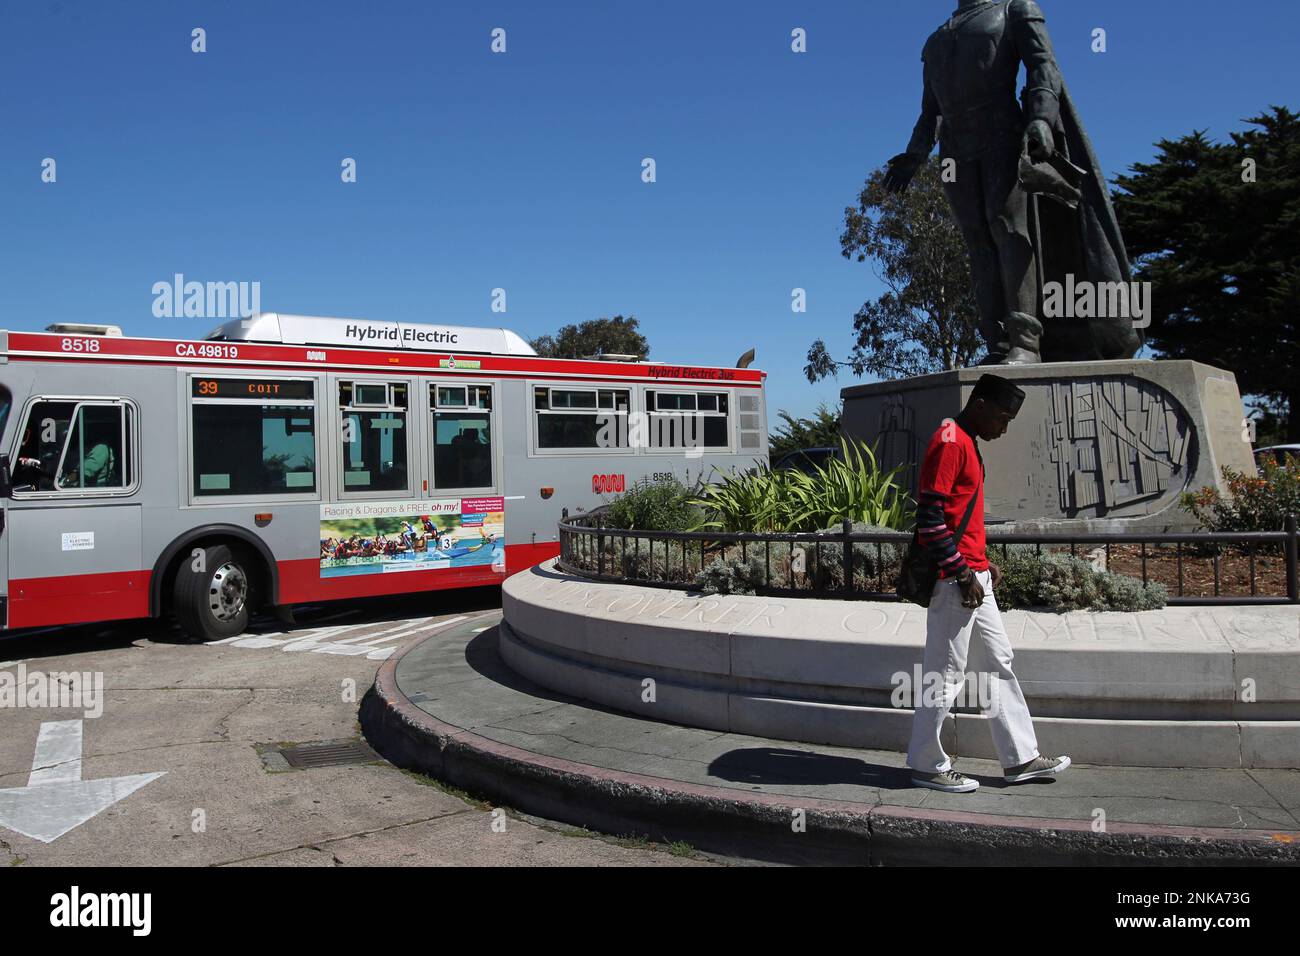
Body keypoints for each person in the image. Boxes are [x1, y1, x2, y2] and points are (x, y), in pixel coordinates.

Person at [907, 373, 1070, 792]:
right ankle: (926, 762)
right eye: (1002, 417)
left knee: (998, 663)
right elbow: (929, 517)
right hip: (953, 580)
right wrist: (961, 571)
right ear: (978, 404)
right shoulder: (949, 439)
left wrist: (981, 563)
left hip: (972, 575)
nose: (1004, 427)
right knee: (944, 674)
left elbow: (960, 516)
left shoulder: (967, 440)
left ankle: (1021, 759)